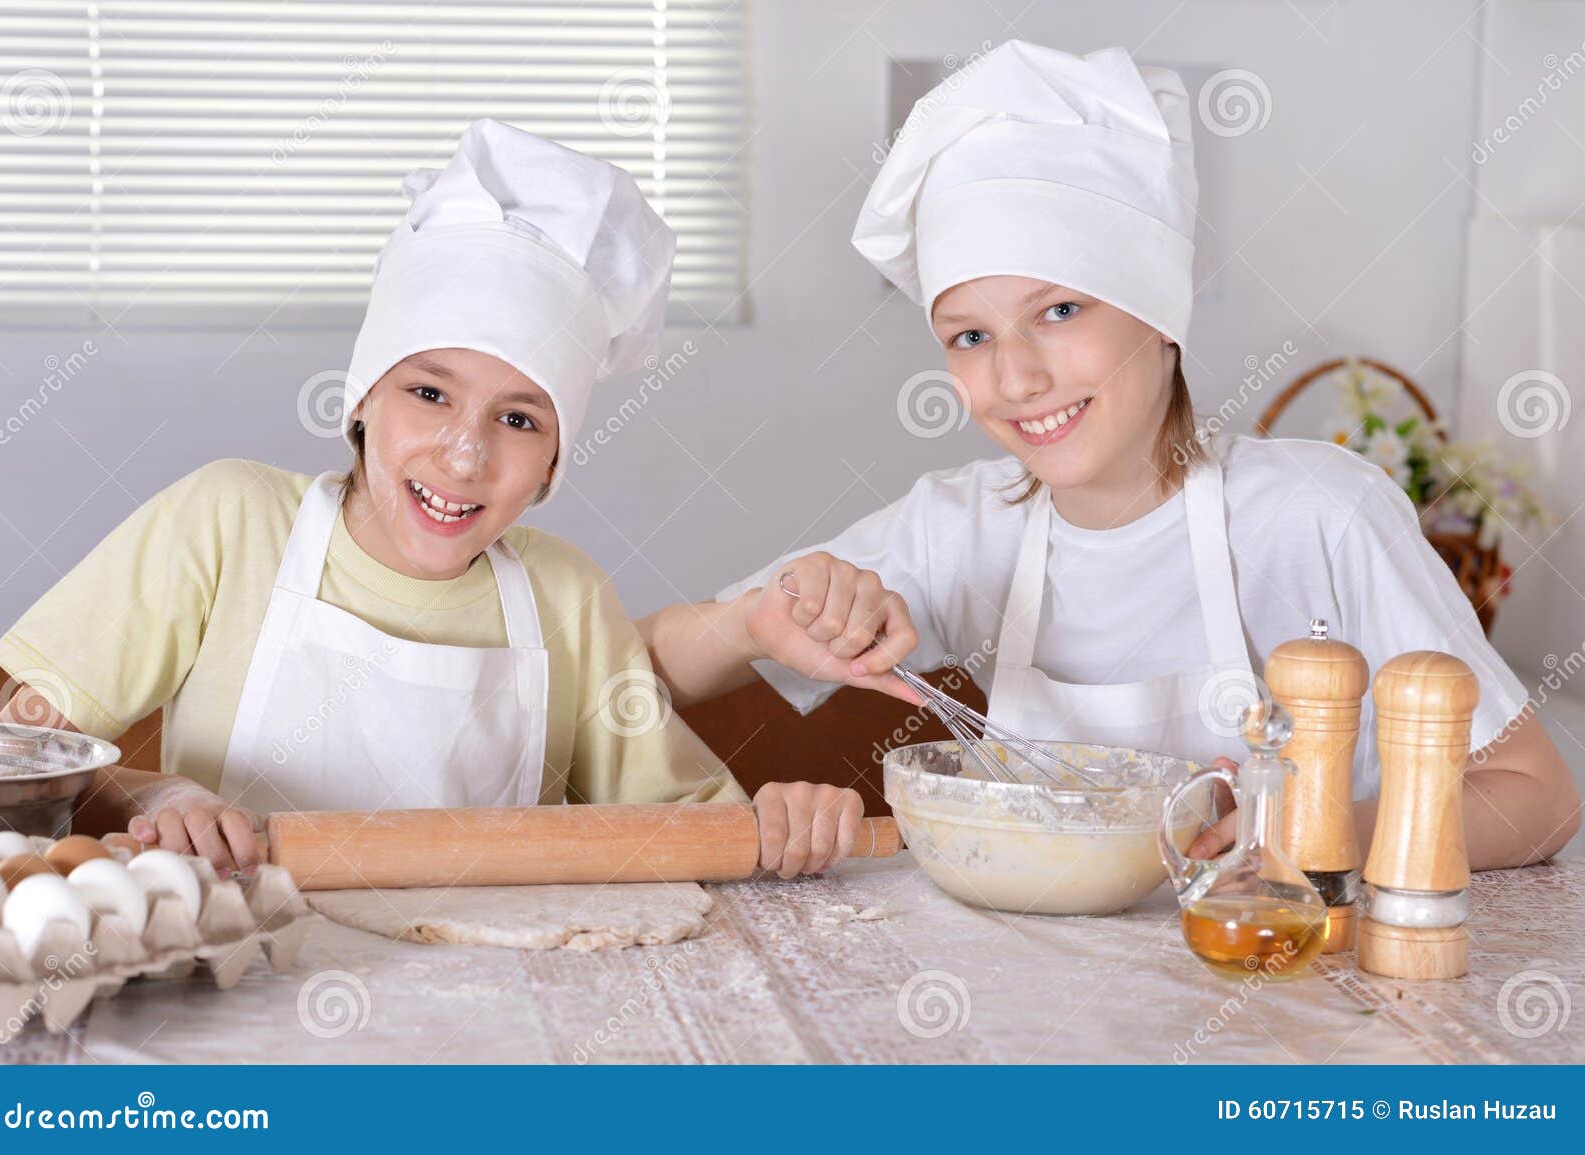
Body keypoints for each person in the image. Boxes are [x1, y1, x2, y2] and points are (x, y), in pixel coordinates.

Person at [635, 42, 1580, 872]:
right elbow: (633, 670)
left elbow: (1538, 794)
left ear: (1158, 313)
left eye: (1059, 310)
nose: (1016, 377)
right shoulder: (962, 525)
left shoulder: (1319, 513)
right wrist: (761, 624)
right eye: (968, 336)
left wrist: (1304, 828)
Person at [0, 119, 863, 880]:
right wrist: (163, 794)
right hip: (244, 981)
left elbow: (682, 833)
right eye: (429, 393)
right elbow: (26, 752)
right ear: (363, 396)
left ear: (556, 459)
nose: (465, 452)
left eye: (518, 417)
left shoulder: (567, 597)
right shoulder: (228, 522)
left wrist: (782, 823)